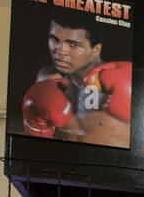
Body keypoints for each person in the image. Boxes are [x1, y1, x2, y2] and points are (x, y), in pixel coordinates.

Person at [21, 19, 132, 148]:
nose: (60, 51)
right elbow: (35, 143)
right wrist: (34, 126)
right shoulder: (47, 76)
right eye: (54, 40)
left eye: (73, 45)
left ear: (96, 50)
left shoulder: (122, 82)